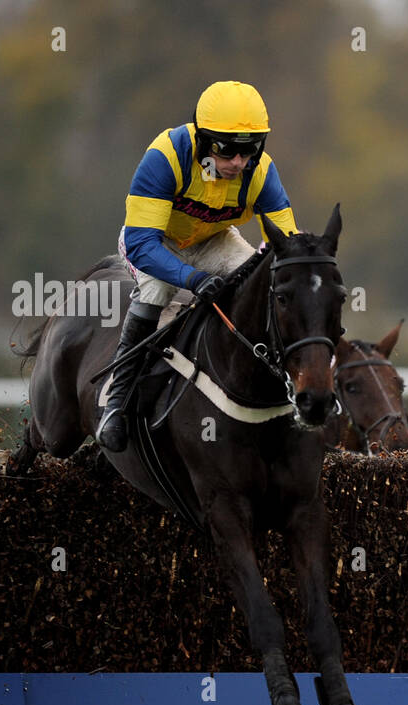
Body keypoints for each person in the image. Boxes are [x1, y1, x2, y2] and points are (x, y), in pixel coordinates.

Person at [96, 80, 300, 452]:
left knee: (261, 281)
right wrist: (193, 278)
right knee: (158, 289)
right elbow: (142, 244)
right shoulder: (165, 157)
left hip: (214, 241)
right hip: (156, 243)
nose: (238, 163)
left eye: (248, 151)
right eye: (226, 150)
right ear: (203, 140)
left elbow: (286, 245)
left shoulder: (261, 171)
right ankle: (117, 403)